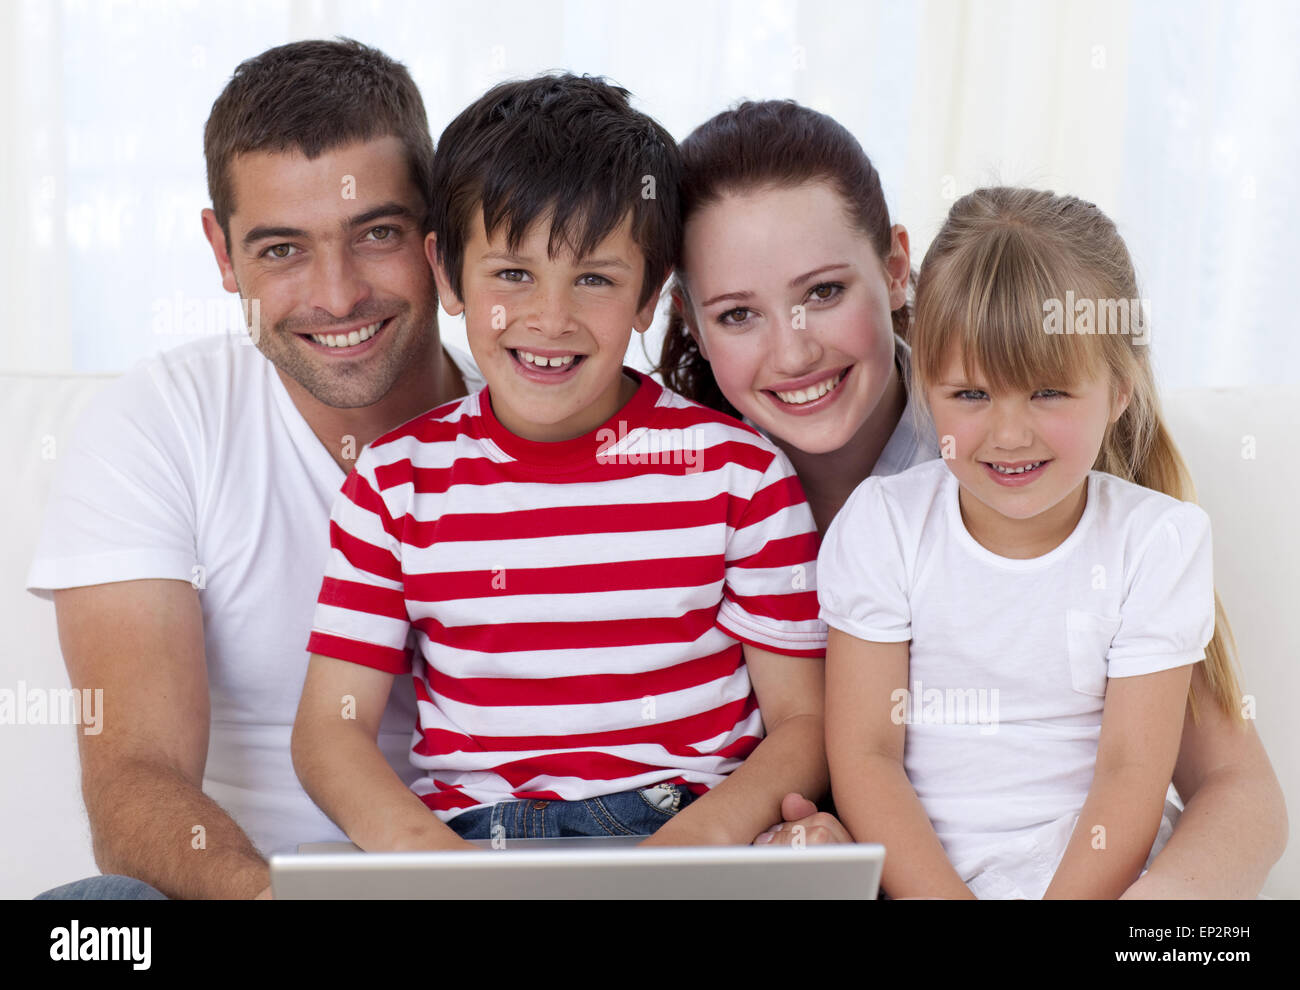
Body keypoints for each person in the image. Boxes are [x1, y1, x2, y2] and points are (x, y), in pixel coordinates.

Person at [658, 100, 1287, 894]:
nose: (792, 349)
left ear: (895, 271)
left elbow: (1231, 788)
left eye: (822, 291)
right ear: (688, 318)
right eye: (738, 313)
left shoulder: (1033, 468)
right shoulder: (664, 491)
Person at [291, 74, 827, 849]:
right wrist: (428, 862)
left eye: (595, 279)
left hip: (676, 826)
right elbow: (329, 734)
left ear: (651, 295)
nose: (550, 319)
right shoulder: (393, 483)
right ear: (447, 274)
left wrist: (695, 850)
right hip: (469, 839)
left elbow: (804, 724)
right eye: (512, 274)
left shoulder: (740, 476)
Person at [28, 39, 480, 899]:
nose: (339, 295)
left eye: (375, 233)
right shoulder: (157, 425)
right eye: (282, 250)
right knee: (92, 913)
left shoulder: (548, 411)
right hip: (247, 894)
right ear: (223, 251)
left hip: (494, 876)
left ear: (436, 234)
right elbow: (134, 780)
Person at [822, 186, 1224, 899]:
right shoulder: (884, 525)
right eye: (971, 395)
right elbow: (866, 755)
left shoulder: (1158, 540)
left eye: (1048, 394)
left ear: (1119, 393)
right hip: (925, 881)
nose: (1009, 436)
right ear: (927, 389)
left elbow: (1131, 770)